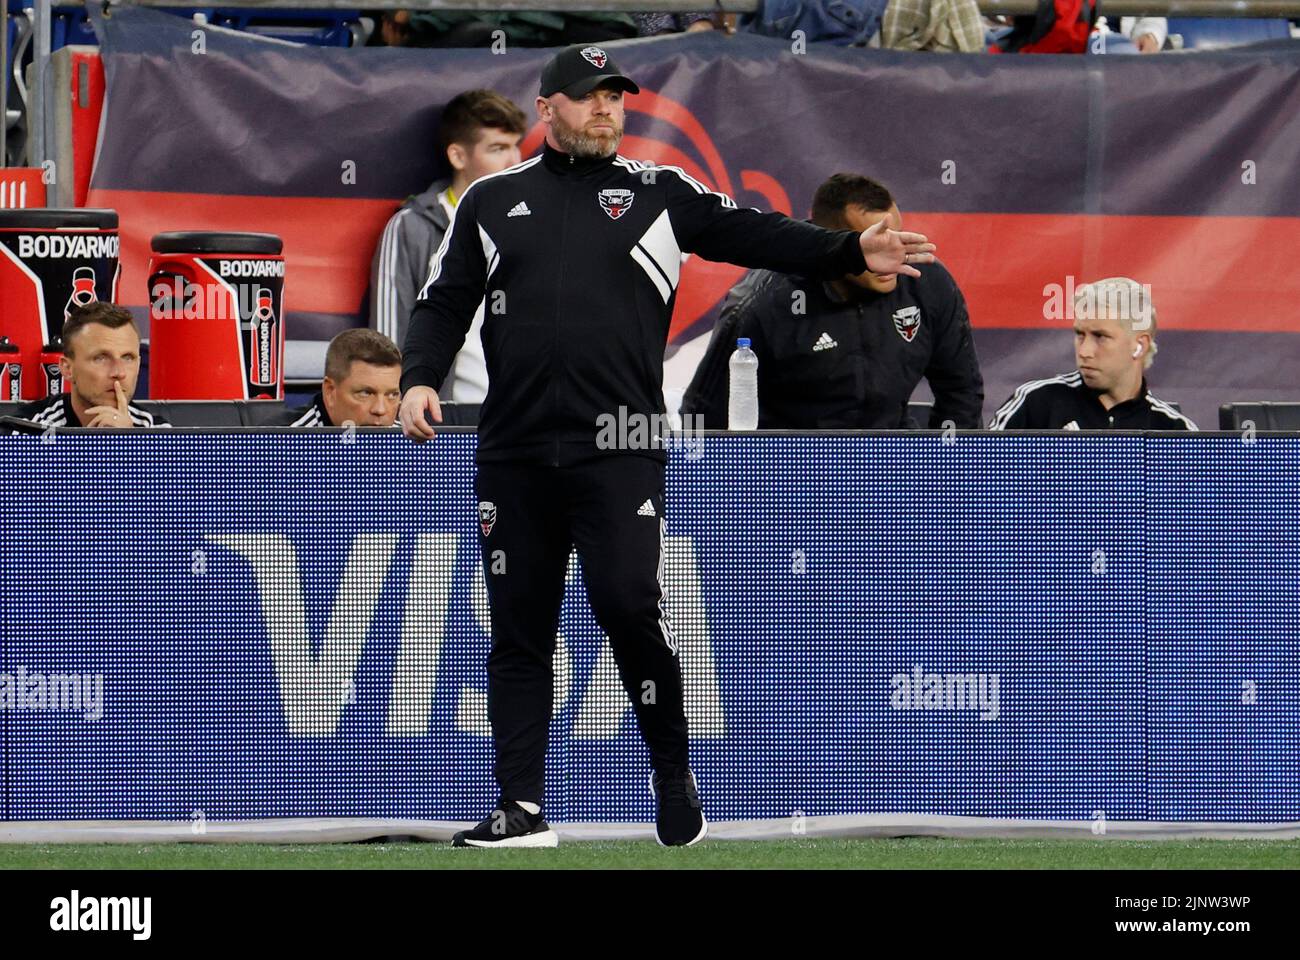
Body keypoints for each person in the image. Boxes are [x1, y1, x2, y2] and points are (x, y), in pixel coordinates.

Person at [398, 45, 936, 848]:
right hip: (512, 450)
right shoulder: (491, 200)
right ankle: (522, 808)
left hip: (622, 444)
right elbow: (445, 304)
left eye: (616, 97)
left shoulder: (660, 192)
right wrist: (418, 377)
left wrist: (848, 251)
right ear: (548, 107)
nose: (607, 109)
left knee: (625, 607)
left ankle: (671, 768)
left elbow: (758, 235)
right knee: (519, 629)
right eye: (588, 97)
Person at [683, 174, 983, 429]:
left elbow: (962, 392)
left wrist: (944, 469)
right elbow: (703, 415)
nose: (892, 255)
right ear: (835, 243)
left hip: (894, 464)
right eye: (877, 243)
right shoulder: (762, 304)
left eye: (896, 236)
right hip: (789, 473)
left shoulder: (925, 281)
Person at [369, 90, 525, 403]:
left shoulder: (535, 224)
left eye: (516, 146)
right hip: (446, 422)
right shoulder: (412, 227)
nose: (514, 160)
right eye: (498, 148)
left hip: (525, 418)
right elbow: (387, 344)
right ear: (457, 156)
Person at [989, 277, 1196, 430]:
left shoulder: (1174, 430)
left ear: (1139, 345)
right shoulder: (1034, 405)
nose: (1085, 351)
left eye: (1100, 337)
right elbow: (977, 481)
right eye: (1080, 334)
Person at [12, 302, 168, 429]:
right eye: (101, 358)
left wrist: (130, 446)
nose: (119, 373)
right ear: (67, 369)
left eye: (128, 358)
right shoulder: (26, 431)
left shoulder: (159, 434)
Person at [286, 329, 402, 427]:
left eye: (392, 395)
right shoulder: (282, 446)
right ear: (330, 391)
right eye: (365, 393)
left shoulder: (413, 444)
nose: (380, 410)